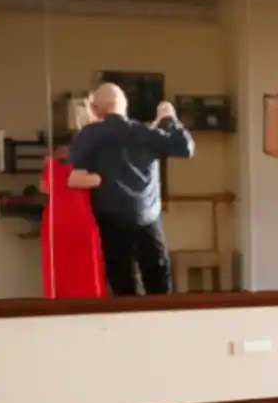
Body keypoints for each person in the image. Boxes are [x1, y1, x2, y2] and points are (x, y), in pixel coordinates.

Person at [67, 85, 194, 296]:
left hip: (110, 220)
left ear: (95, 108)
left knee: (123, 287)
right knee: (159, 285)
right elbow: (186, 147)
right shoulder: (143, 132)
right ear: (124, 106)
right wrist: (168, 118)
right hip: (148, 219)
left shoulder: (89, 135)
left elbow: (70, 172)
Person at [39, 111, 106, 300]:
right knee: (84, 269)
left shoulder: (50, 162)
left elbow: (44, 187)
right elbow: (90, 181)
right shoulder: (84, 159)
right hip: (79, 218)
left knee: (58, 268)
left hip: (54, 220)